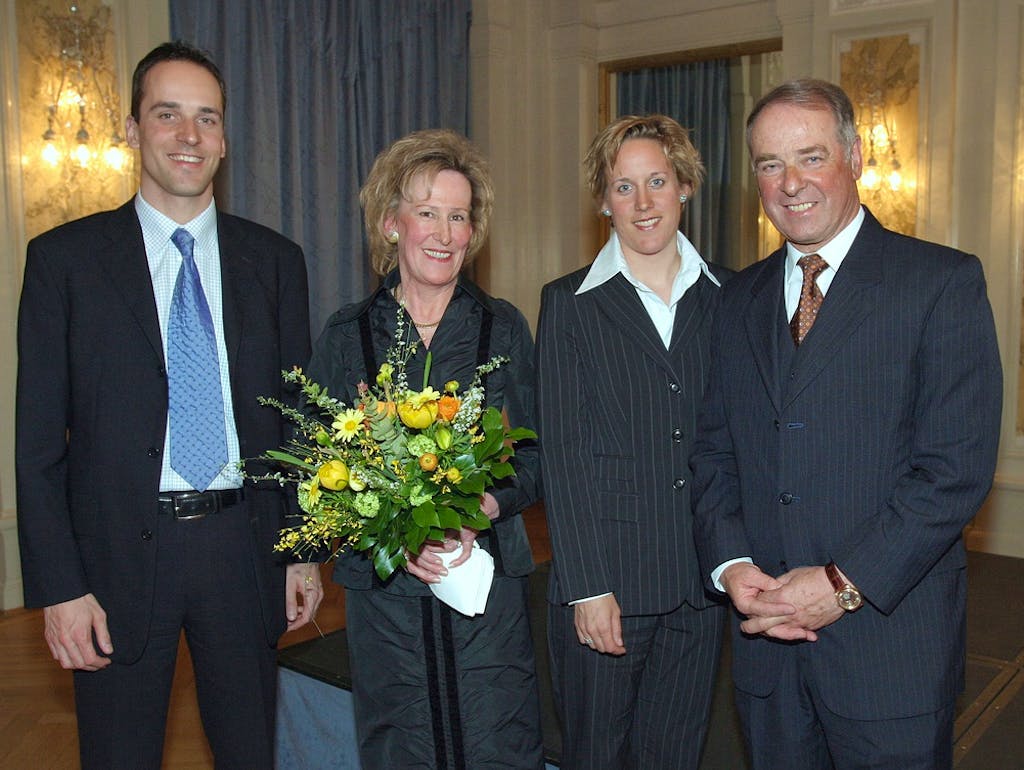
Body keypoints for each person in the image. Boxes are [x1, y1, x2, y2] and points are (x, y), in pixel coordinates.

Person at [15, 42, 322, 769]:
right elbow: (37, 445)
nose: (190, 135)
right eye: (167, 114)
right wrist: (61, 589)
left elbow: (297, 422)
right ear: (131, 130)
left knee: (249, 754)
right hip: (116, 559)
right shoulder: (65, 262)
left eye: (207, 118)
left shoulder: (275, 261)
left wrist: (304, 551)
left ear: (224, 138)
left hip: (243, 552)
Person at [690, 78, 1002, 769]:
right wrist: (731, 564)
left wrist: (842, 583)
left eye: (811, 157)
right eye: (770, 164)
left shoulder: (939, 283)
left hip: (889, 653)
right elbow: (714, 454)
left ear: (855, 157)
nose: (790, 183)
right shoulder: (735, 299)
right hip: (767, 649)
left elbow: (954, 472)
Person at [305, 128, 544, 769]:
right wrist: (390, 527)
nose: (443, 233)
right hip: (385, 601)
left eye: (458, 216)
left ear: (473, 231)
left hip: (486, 593)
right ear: (392, 224)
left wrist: (484, 506)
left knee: (497, 747)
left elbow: (538, 454)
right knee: (401, 749)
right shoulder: (347, 337)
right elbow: (319, 470)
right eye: (427, 213)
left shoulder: (503, 328)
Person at [535, 114, 730, 769]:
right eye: (624, 187)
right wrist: (587, 586)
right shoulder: (569, 303)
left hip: (702, 584)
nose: (643, 202)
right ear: (603, 201)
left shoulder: (731, 295)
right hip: (608, 584)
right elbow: (563, 454)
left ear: (685, 186)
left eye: (657, 181)